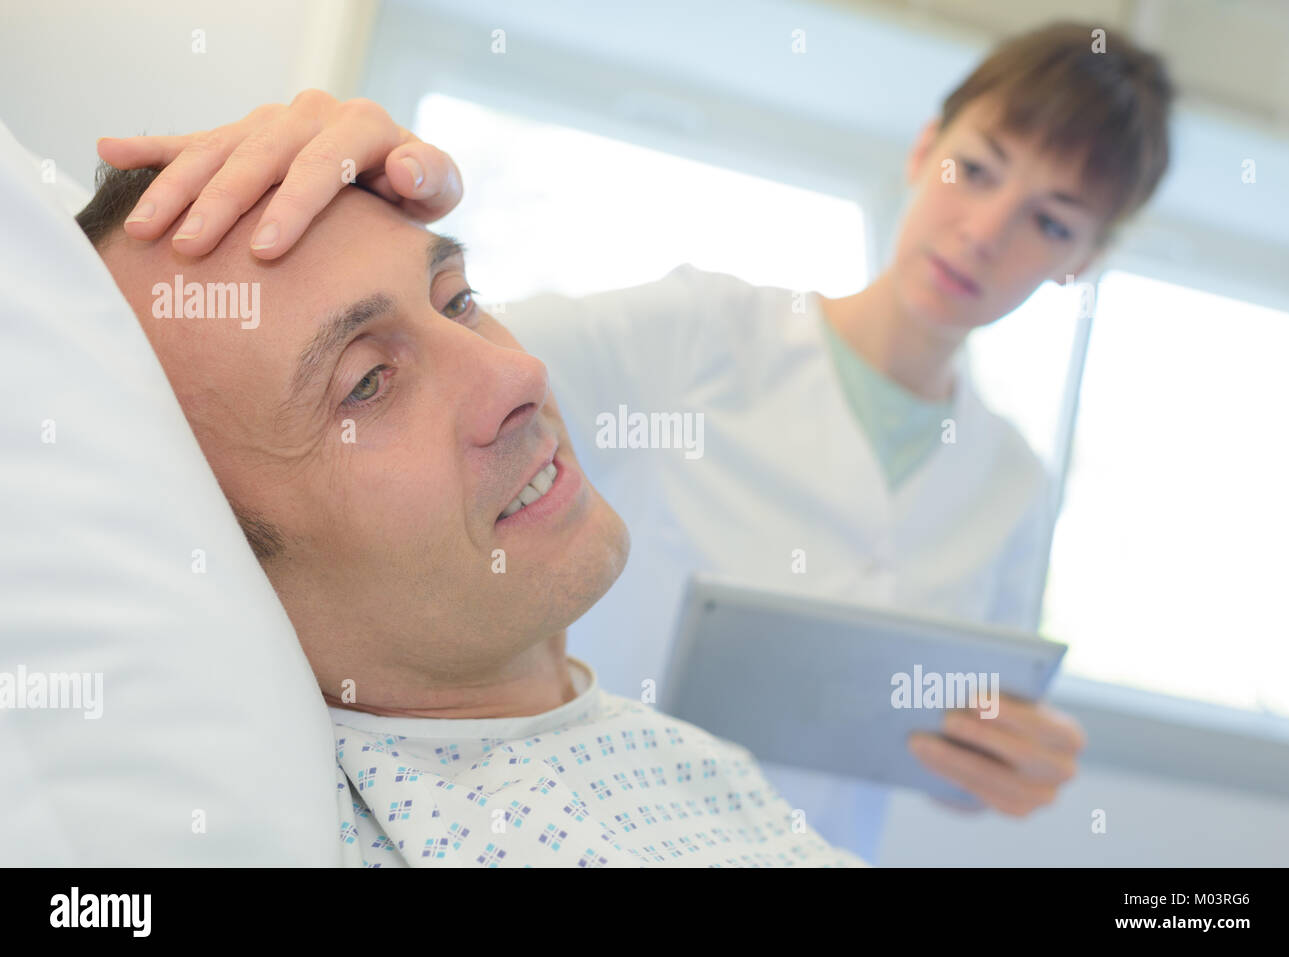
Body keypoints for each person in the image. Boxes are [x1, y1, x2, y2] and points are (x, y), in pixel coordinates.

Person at [95, 20, 1170, 859]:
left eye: (1052, 220)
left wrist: (997, 765)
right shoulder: (697, 334)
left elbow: (954, 720)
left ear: (1080, 262)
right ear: (925, 148)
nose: (984, 232)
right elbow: (322, 374)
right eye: (977, 171)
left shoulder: (1015, 485)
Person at [73, 164, 865, 867]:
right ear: (220, 548)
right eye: (368, 383)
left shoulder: (704, 768)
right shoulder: (300, 831)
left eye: (457, 300)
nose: (518, 371)